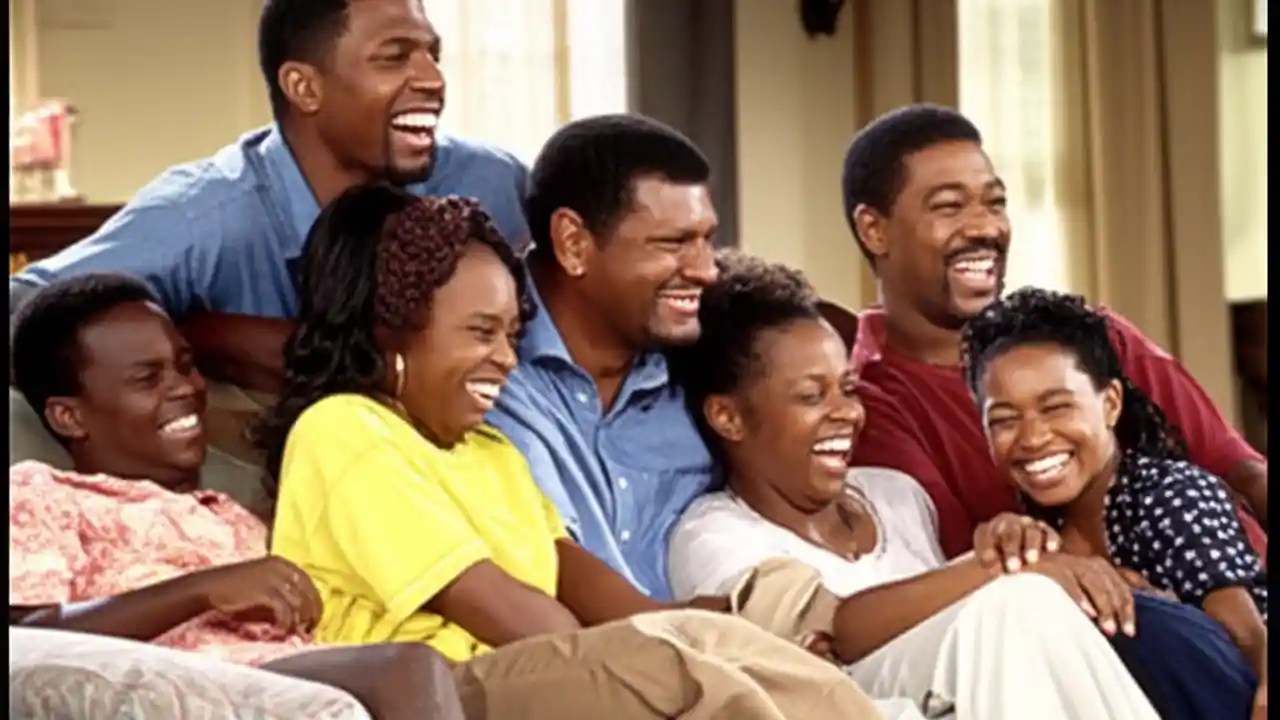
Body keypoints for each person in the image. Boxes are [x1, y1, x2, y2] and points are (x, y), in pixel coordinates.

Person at [258, 185, 883, 720]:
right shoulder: (343, 430)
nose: (505, 357)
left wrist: (717, 628)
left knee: (726, 638)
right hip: (445, 690)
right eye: (480, 332)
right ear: (395, 329)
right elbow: (508, 614)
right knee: (674, 661)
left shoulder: (490, 451)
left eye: (511, 334)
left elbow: (578, 579)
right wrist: (650, 643)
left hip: (546, 670)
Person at [668, 252, 1258, 720]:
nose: (845, 413)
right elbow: (827, 629)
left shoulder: (896, 494)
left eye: (848, 388)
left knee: (1056, 611)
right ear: (728, 417)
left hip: (980, 691)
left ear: (1108, 404)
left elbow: (962, 604)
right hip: (864, 702)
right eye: (809, 396)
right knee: (1021, 604)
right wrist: (1006, 568)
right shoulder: (713, 532)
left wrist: (1013, 554)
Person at [9, 0, 528, 395]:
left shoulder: (491, 184)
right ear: (303, 87)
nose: (433, 80)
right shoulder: (204, 214)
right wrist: (186, 341)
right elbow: (22, 309)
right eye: (394, 59)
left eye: (432, 56)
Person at [8, 272, 465, 720]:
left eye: (186, 366)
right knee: (405, 669)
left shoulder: (230, 511)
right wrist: (203, 590)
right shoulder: (43, 494)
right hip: (191, 683)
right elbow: (25, 632)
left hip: (304, 678)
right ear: (69, 417)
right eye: (148, 379)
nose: (186, 388)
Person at [839, 103, 1267, 559]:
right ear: (874, 230)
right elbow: (972, 574)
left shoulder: (1092, 336)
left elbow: (1238, 468)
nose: (985, 227)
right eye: (949, 207)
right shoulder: (871, 403)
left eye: (995, 203)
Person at [963, 287, 1266, 719]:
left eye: (1056, 408)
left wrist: (1154, 609)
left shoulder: (1170, 494)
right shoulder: (1033, 534)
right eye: (1005, 420)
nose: (1032, 439)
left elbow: (1247, 643)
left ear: (1110, 404)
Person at [485, 114, 720, 601]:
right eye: (673, 243)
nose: (706, 270)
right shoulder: (479, 373)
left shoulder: (712, 369)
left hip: (716, 659)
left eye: (707, 239)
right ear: (573, 243)